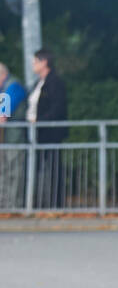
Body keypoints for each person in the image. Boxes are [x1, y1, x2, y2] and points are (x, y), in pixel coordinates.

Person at [27, 49, 68, 208]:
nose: (33, 65)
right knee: (37, 168)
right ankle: (37, 203)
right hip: (37, 132)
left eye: (35, 61)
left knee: (53, 168)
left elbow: (57, 108)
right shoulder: (38, 83)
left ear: (44, 62)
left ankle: (56, 204)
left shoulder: (55, 82)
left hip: (49, 132)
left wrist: (39, 120)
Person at [0, 60, 27, 208]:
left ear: (2, 75)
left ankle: (13, 205)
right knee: (5, 172)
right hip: (6, 138)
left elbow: (2, 114)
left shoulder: (12, 86)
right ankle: (5, 204)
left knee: (14, 172)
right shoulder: (5, 87)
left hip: (14, 138)